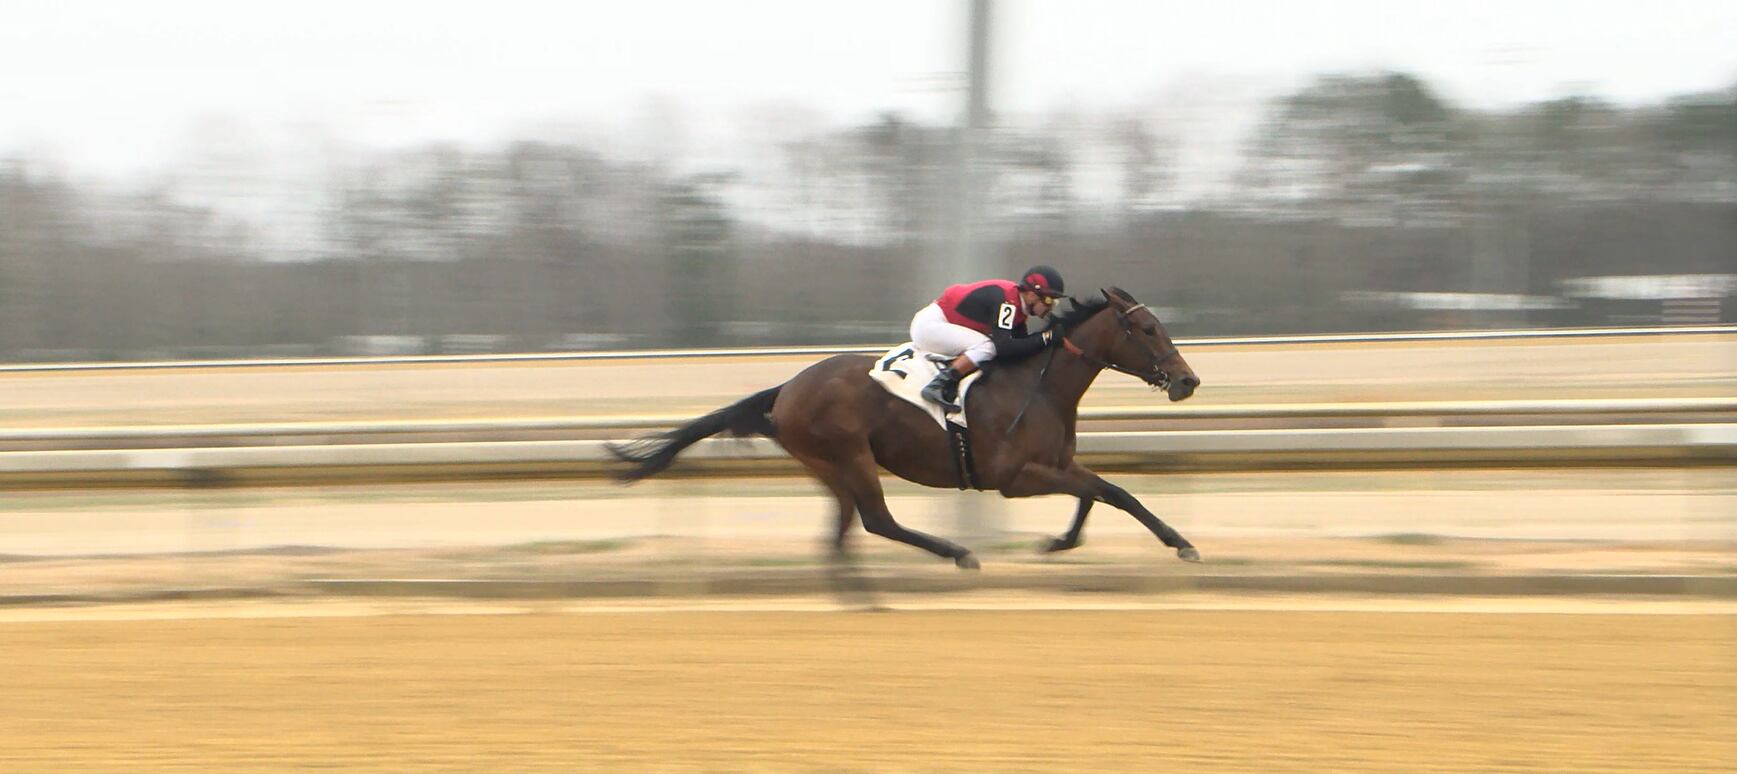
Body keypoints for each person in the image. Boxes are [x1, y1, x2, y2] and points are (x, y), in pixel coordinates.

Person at [910, 265, 1066, 412]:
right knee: (987, 347)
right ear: (1031, 294)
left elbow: (1020, 347)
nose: (1051, 307)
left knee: (988, 347)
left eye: (1054, 301)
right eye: (1048, 300)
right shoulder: (1008, 303)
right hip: (930, 326)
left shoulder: (1018, 307)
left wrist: (1045, 339)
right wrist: (1047, 337)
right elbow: (1004, 348)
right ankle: (938, 384)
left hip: (937, 323)